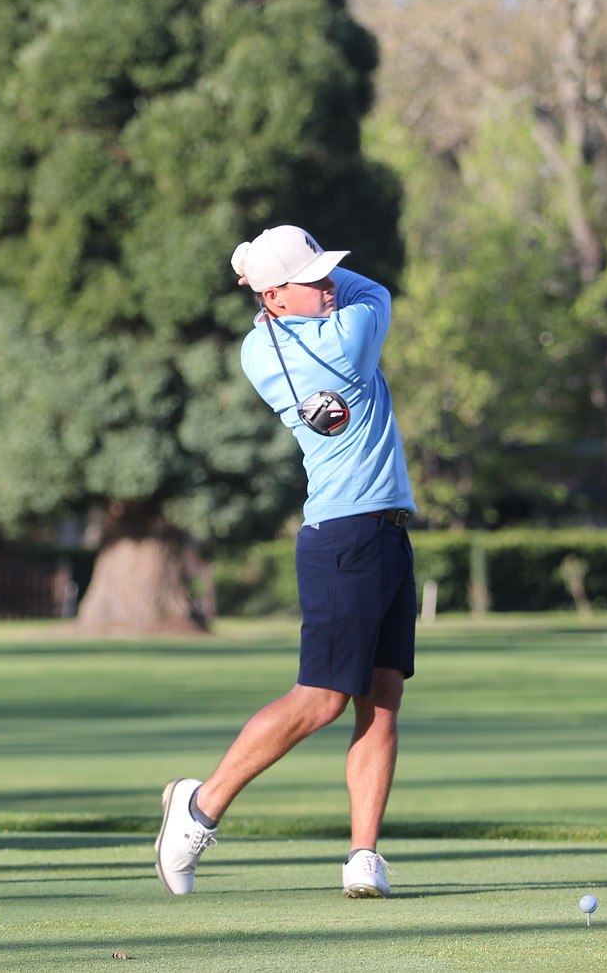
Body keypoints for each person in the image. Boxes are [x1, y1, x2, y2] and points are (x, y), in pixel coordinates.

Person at [155, 224, 418, 899]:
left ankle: (364, 854)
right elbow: (375, 289)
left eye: (327, 274)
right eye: (312, 277)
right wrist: (271, 272)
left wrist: (267, 272)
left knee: (381, 702)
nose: (329, 284)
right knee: (322, 699)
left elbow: (333, 290)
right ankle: (199, 807)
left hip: (384, 531)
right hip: (344, 536)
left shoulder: (259, 347)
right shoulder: (350, 338)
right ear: (273, 294)